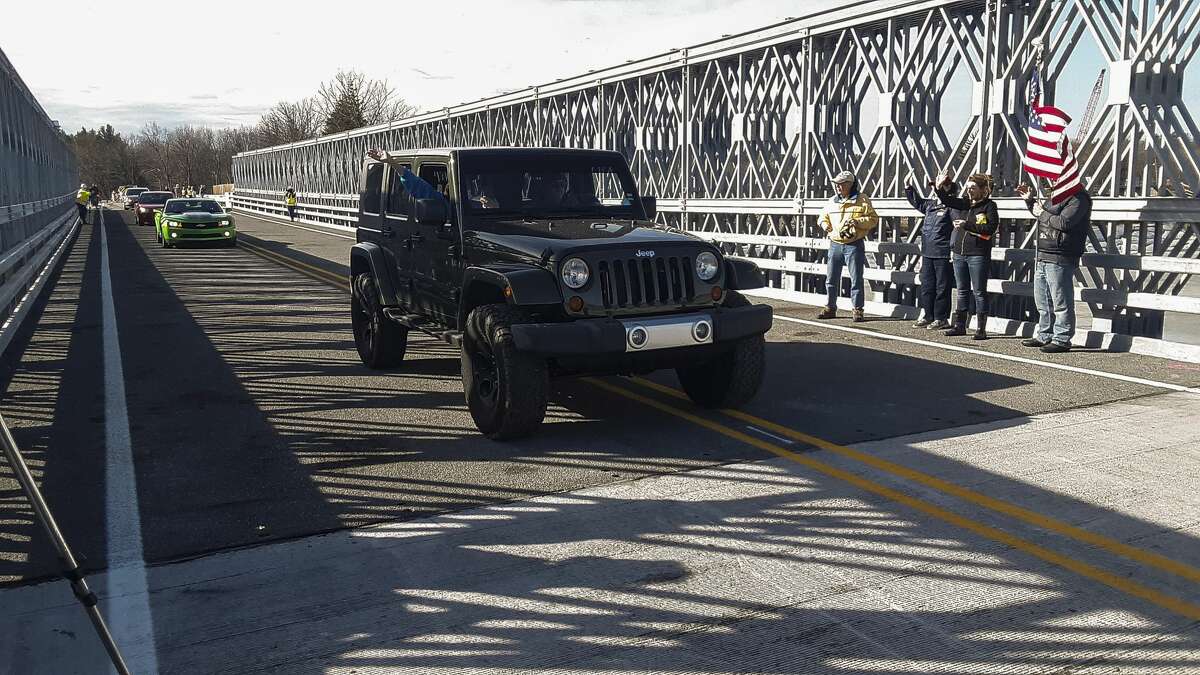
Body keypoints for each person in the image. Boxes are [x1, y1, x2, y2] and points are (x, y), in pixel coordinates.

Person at [1017, 182, 1093, 353]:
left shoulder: (1079, 199)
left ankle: (1062, 338)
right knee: (1043, 300)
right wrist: (1030, 202)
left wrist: (1041, 212)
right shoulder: (1056, 197)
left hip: (1062, 254)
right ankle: (1045, 334)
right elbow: (1045, 217)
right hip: (1044, 252)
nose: (1052, 181)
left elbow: (1063, 223)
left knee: (1061, 301)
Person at [934, 171, 999, 339]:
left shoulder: (989, 206)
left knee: (979, 291)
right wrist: (939, 187)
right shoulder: (965, 203)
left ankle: (980, 329)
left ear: (983, 190)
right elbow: (948, 200)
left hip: (977, 253)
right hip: (959, 253)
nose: (969, 191)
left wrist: (967, 225)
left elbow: (989, 229)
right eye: (968, 188)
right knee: (962, 290)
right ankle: (959, 325)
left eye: (973, 188)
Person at [816, 170, 879, 322]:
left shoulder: (862, 200)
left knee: (856, 278)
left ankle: (857, 310)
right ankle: (830, 308)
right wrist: (825, 226)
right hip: (835, 243)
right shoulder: (832, 201)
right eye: (836, 184)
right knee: (831, 278)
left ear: (850, 185)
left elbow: (873, 219)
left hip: (854, 244)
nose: (838, 187)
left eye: (841, 184)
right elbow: (822, 218)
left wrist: (858, 222)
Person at [905, 177, 956, 330]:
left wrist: (953, 249)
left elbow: (957, 228)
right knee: (927, 286)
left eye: (938, 187)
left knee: (942, 287)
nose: (934, 190)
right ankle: (928, 315)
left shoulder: (952, 207)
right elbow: (918, 202)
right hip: (928, 252)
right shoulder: (931, 205)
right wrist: (908, 188)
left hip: (943, 253)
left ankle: (941, 318)